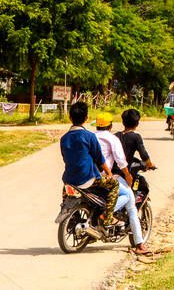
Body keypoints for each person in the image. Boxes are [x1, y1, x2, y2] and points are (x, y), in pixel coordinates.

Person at [60, 102, 118, 240]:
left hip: (68, 181)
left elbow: (66, 158)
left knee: (65, 200)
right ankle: (107, 219)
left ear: (69, 117)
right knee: (114, 185)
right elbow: (100, 159)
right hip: (89, 179)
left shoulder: (64, 138)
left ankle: (70, 219)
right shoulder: (89, 136)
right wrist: (110, 174)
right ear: (86, 118)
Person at [95, 112, 150, 255]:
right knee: (131, 203)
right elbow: (136, 157)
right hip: (114, 175)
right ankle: (139, 244)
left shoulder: (114, 135)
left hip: (93, 175)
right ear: (137, 124)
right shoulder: (128, 138)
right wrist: (129, 174)